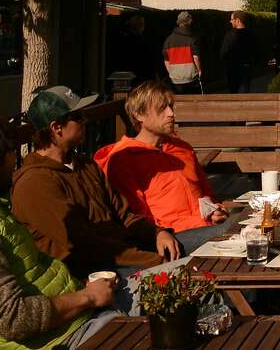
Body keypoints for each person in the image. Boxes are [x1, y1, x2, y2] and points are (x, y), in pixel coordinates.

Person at [0, 114, 120, 350]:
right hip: (64, 340)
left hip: (75, 322)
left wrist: (84, 289)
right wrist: (88, 297)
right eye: (9, 151)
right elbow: (13, 319)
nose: (14, 160)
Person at [11, 86, 182, 299]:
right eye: (77, 116)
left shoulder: (85, 165)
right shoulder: (35, 183)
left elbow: (124, 214)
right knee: (194, 275)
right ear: (56, 127)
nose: (85, 120)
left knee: (213, 244)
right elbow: (84, 246)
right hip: (97, 275)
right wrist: (153, 261)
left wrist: (157, 232)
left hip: (129, 251)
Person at [95, 81, 237, 252]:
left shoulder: (182, 148)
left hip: (205, 227)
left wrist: (214, 211)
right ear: (139, 114)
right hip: (168, 237)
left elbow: (206, 194)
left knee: (250, 223)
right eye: (162, 108)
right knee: (235, 234)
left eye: (171, 106)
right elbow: (133, 217)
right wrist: (160, 232)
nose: (171, 114)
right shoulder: (124, 158)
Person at [163, 11, 202, 93]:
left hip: (175, 79)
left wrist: (172, 73)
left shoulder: (168, 40)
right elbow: (195, 57)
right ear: (189, 22)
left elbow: (166, 61)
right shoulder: (191, 39)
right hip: (191, 77)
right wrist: (199, 70)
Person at [219, 10, 254, 94]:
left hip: (232, 70)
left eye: (232, 19)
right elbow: (256, 53)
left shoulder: (229, 35)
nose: (230, 21)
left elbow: (223, 54)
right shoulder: (251, 35)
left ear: (238, 20)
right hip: (246, 68)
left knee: (233, 94)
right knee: (244, 93)